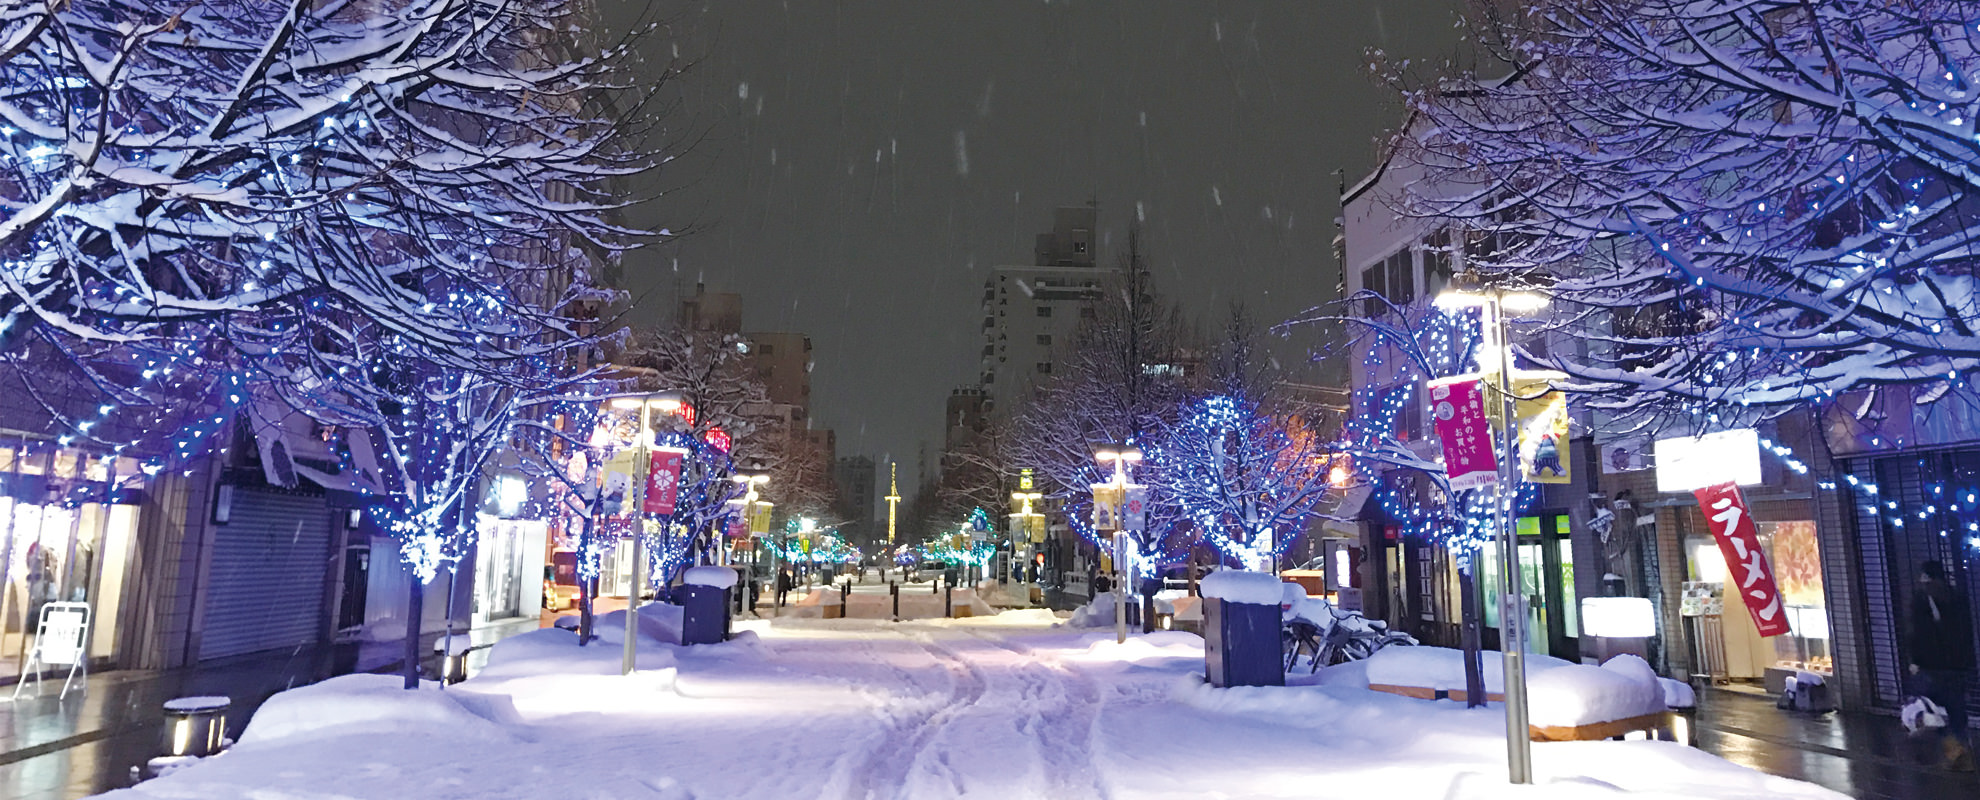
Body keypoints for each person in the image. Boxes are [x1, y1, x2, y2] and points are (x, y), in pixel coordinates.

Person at [1909, 559, 1975, 771]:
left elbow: (1916, 634)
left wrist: (1915, 661)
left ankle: (1948, 751)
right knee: (1956, 710)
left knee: (1932, 711)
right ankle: (1961, 750)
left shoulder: (1921, 600)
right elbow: (1965, 632)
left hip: (1931, 666)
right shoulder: (1956, 598)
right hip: (1955, 665)